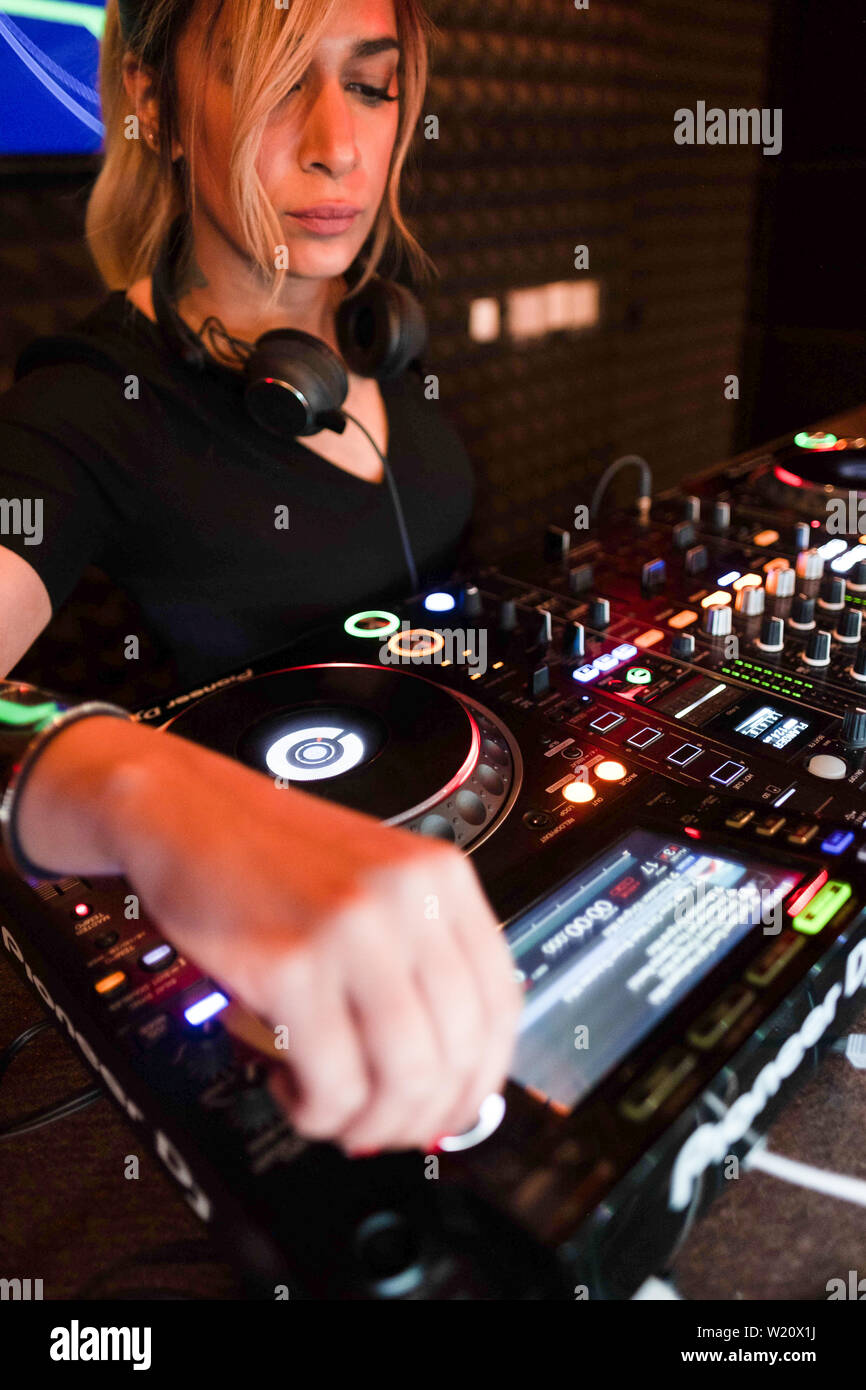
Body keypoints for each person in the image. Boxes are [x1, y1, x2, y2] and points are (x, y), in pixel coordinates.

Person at [0, 0, 522, 1158]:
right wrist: (133, 786)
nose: (339, 143)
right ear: (153, 103)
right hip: (278, 1000)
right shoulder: (84, 407)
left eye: (371, 86)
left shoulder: (384, 334)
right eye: (280, 80)